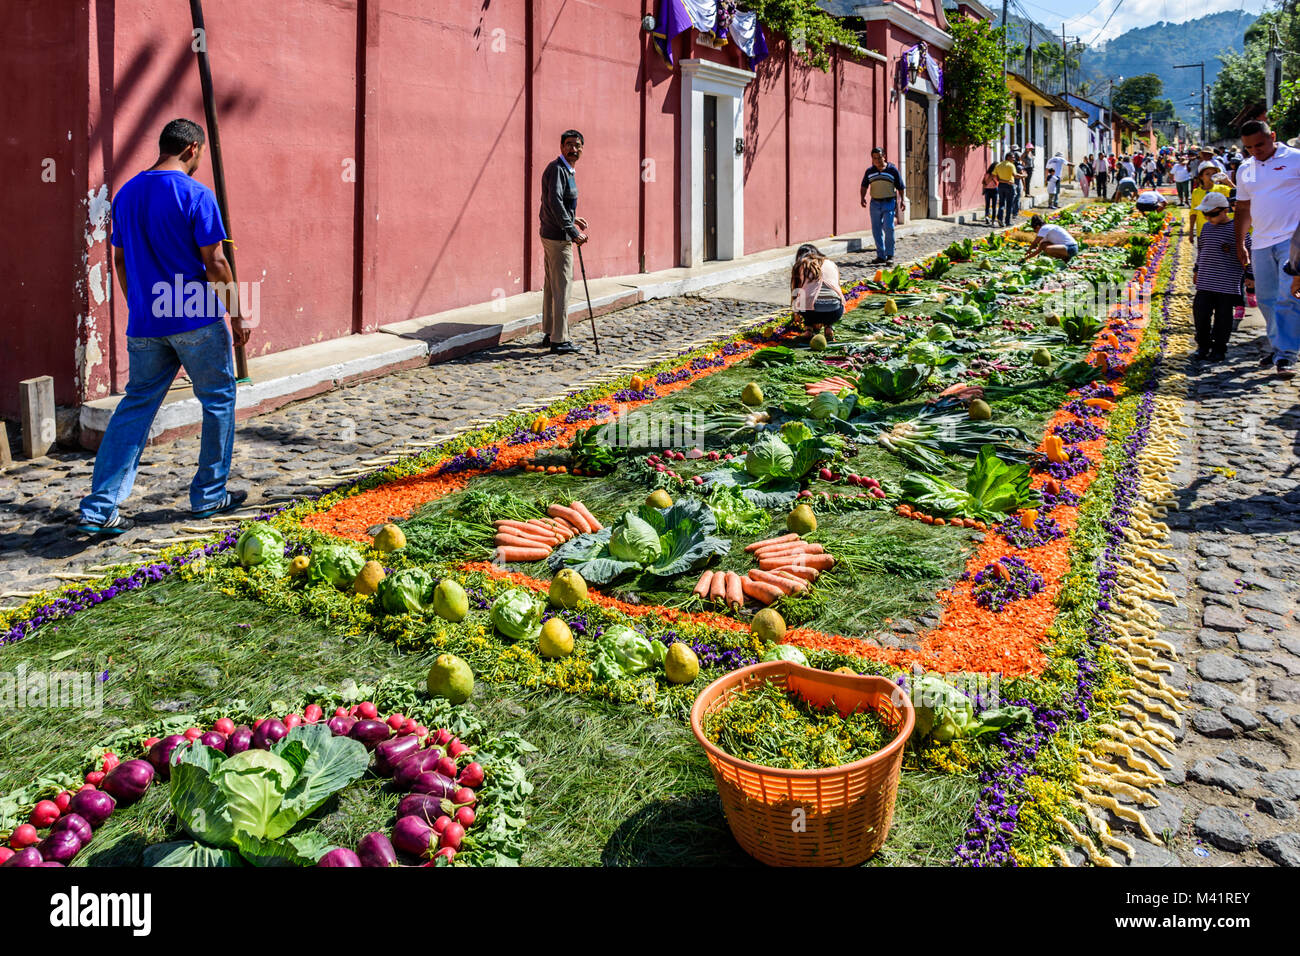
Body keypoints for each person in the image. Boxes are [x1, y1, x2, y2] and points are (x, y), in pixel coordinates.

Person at [75, 119, 247, 536]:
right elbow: (216, 262)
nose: (200, 162)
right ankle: (209, 496)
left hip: (147, 321)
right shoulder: (196, 195)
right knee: (219, 399)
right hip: (196, 319)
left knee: (136, 406)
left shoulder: (127, 194)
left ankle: (100, 507)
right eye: (200, 155)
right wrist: (237, 313)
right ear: (191, 149)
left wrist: (140, 305)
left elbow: (118, 260)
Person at [1234, 120, 1300, 377]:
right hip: (1260, 241)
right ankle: (1278, 346)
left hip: (1292, 240)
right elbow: (1243, 208)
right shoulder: (1245, 169)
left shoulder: (1295, 159)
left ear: (1273, 136)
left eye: (1260, 144)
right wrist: (1240, 241)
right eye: (1249, 147)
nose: (1256, 151)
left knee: (1288, 296)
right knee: (1266, 299)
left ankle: (1286, 355)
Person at [538, 129, 588, 355]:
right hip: (559, 238)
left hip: (551, 233)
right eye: (569, 145)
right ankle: (560, 339)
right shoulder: (558, 169)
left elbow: (554, 203)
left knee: (552, 286)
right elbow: (554, 202)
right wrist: (571, 230)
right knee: (563, 287)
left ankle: (550, 331)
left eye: (577, 146)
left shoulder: (564, 170)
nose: (573, 149)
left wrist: (572, 217)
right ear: (561, 147)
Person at [1190, 192, 1245, 363]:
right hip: (1206, 281)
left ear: (1225, 211)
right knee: (1200, 314)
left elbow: (1247, 252)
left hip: (1226, 283)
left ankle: (1219, 348)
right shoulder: (1206, 228)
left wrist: (1249, 275)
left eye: (1212, 214)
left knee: (1223, 318)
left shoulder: (1237, 228)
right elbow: (1202, 250)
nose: (1208, 218)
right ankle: (1203, 346)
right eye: (1205, 214)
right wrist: (1197, 269)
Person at [790, 244, 845, 342]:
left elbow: (796, 291)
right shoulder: (830, 263)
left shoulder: (801, 264)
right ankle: (829, 327)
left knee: (805, 300)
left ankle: (808, 329)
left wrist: (796, 313)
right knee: (831, 298)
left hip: (810, 313)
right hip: (835, 311)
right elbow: (837, 285)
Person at [860, 146, 905, 264]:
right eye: (875, 158)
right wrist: (863, 197)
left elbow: (900, 186)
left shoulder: (892, 170)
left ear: (884, 156)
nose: (878, 160)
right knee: (876, 230)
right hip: (874, 203)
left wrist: (902, 201)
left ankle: (890, 255)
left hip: (889, 202)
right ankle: (881, 255)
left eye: (880, 157)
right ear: (872, 159)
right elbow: (864, 185)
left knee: (888, 228)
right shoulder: (869, 171)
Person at [1189, 167, 1233, 244]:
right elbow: (1193, 212)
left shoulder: (1222, 188)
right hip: (1203, 230)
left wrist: (1228, 181)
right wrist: (1191, 231)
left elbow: (1239, 194)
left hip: (1221, 230)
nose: (1211, 176)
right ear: (1201, 177)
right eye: (1207, 174)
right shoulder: (1196, 192)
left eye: (1214, 174)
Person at [994, 152, 1018, 227]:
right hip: (1009, 186)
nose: (1014, 159)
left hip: (1001, 186)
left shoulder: (998, 165)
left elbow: (996, 177)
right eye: (1012, 157)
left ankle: (1000, 219)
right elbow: (1015, 175)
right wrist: (1024, 175)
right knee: (1009, 204)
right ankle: (1007, 221)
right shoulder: (1011, 165)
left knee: (1001, 203)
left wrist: (1003, 181)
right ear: (1008, 157)